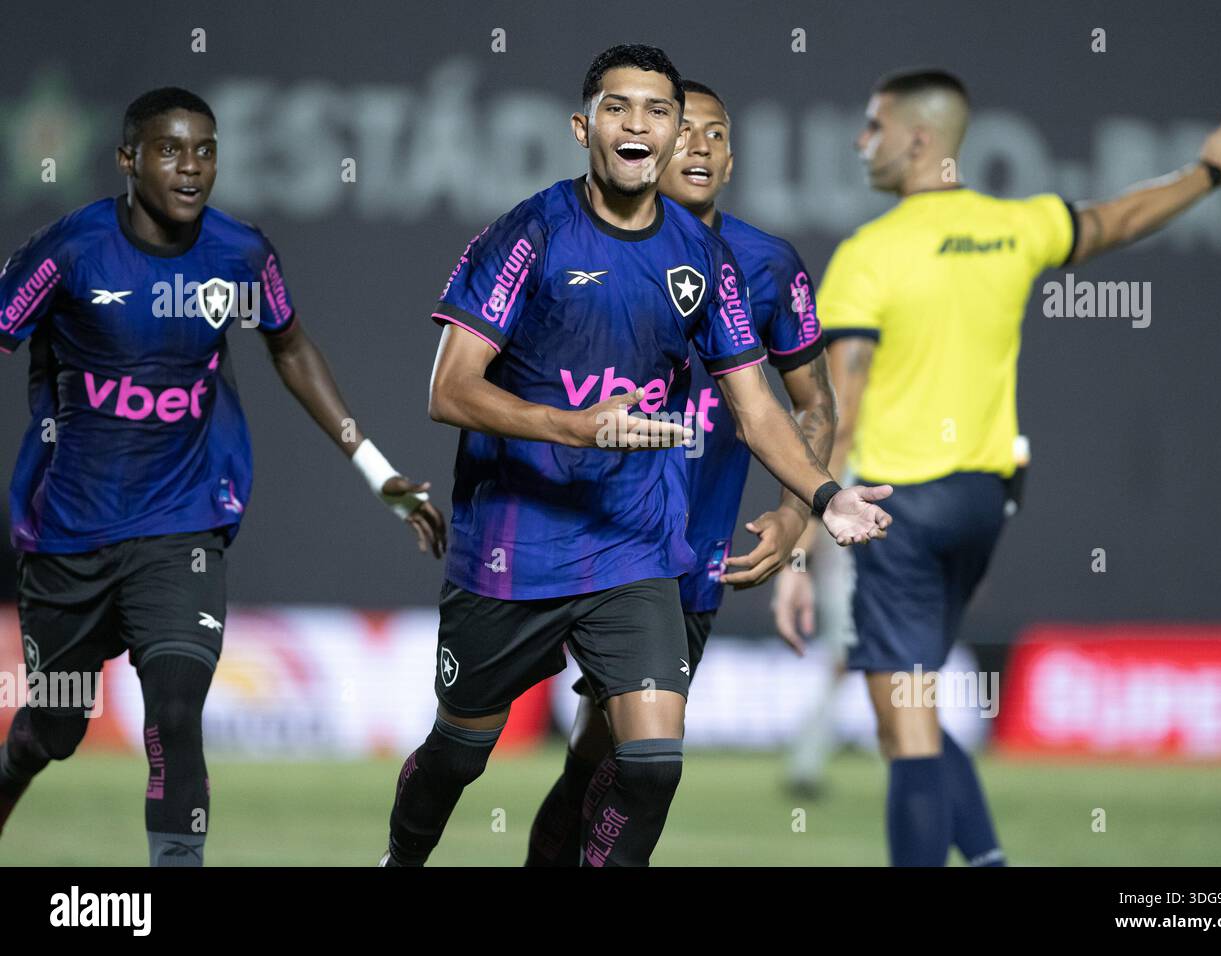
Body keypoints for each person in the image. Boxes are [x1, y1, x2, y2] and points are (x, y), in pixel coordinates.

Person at [383, 45, 891, 868]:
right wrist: (577, 426)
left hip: (635, 547)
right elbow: (449, 391)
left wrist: (825, 498)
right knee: (459, 753)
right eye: (621, 109)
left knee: (648, 763)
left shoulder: (707, 257)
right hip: (517, 548)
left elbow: (759, 404)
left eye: (660, 113)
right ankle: (400, 860)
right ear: (585, 127)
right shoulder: (529, 233)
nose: (643, 126)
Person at [771, 68, 1221, 866]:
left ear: (918, 138)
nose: (861, 141)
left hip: (898, 508)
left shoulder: (871, 254)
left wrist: (801, 539)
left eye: (873, 126)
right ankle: (989, 860)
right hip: (981, 506)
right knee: (920, 705)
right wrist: (1210, 172)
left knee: (903, 730)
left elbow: (844, 408)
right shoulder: (1018, 228)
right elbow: (1121, 218)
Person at [0, 87, 445, 866]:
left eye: (205, 150)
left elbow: (291, 348)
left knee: (175, 710)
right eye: (170, 149)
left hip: (182, 530)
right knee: (58, 729)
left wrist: (378, 472)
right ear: (127, 159)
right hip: (68, 533)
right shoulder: (70, 252)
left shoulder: (240, 256)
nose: (191, 167)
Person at [525, 79, 836, 866]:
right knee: (628, 758)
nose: (698, 146)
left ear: (731, 160)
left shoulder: (768, 266)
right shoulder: (569, 247)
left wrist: (796, 515)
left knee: (613, 757)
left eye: (717, 135)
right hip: (577, 539)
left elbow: (813, 406)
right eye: (683, 129)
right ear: (647, 147)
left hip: (687, 559)